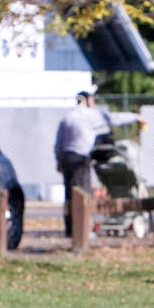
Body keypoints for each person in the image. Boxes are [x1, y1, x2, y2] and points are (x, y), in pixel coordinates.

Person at [54, 90, 109, 237]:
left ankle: (70, 229)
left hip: (66, 158)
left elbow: (59, 143)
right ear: (87, 100)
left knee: (69, 195)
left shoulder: (67, 118)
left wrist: (59, 160)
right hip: (80, 159)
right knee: (83, 194)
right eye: (92, 100)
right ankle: (82, 230)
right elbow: (112, 118)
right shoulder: (89, 116)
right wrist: (136, 117)